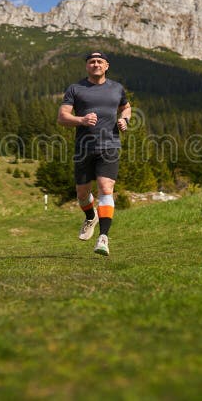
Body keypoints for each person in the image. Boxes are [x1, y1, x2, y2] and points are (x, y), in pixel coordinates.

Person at [57, 51, 131, 256]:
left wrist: (125, 120)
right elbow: (62, 117)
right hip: (84, 148)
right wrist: (81, 120)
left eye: (99, 61)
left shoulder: (117, 88)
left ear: (106, 65)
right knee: (82, 194)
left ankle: (103, 238)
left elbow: (126, 107)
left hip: (110, 145)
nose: (96, 64)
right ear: (87, 66)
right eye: (91, 61)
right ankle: (90, 216)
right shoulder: (75, 89)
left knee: (106, 188)